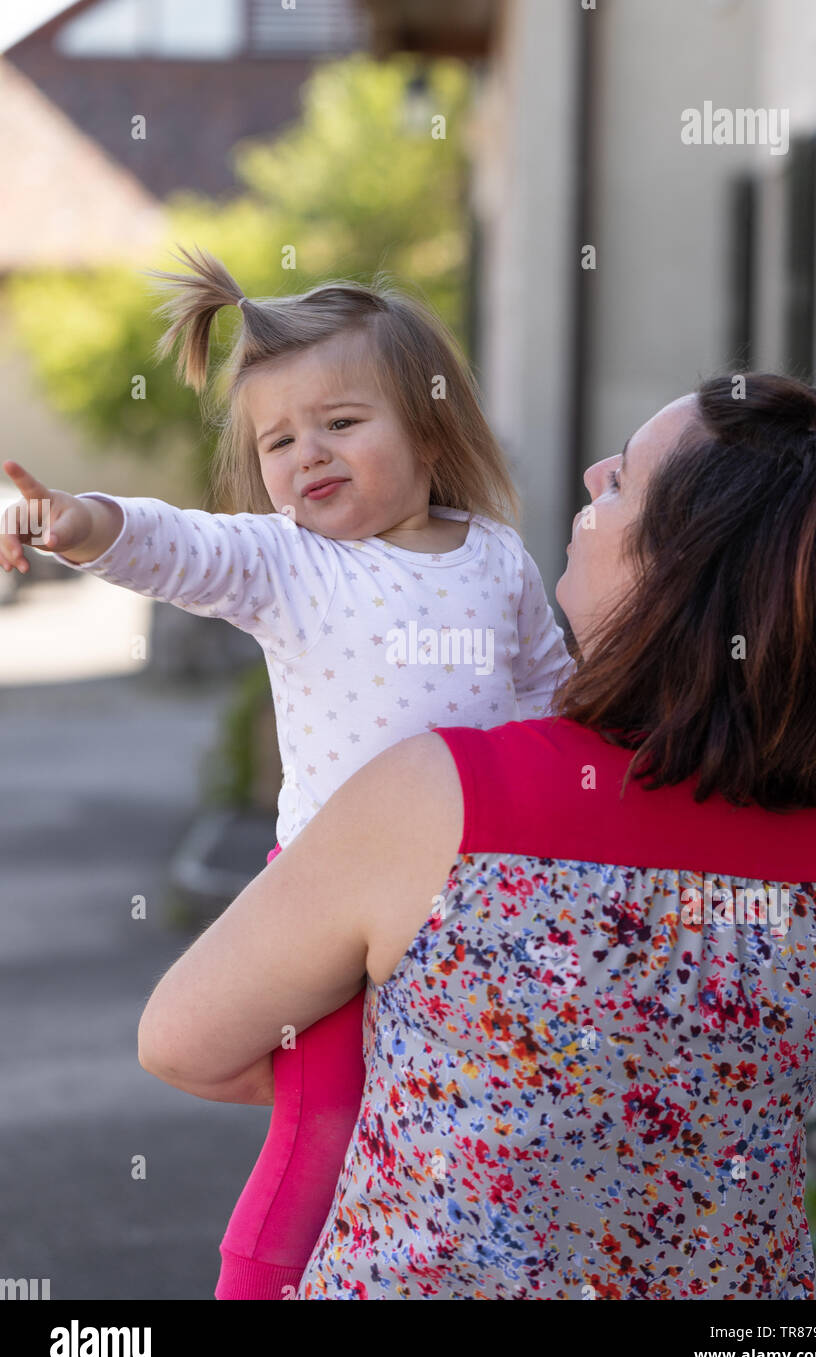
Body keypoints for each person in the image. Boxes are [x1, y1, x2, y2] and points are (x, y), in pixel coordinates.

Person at [135, 371, 816, 1299]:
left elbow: (185, 1038)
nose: (590, 476)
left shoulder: (445, 795)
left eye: (620, 486)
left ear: (677, 567)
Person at [0, 244, 575, 1300]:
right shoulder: (289, 560)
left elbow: (552, 696)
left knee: (493, 1139)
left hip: (481, 914)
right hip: (327, 910)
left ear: (430, 423)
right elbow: (178, 545)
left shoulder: (495, 555)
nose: (307, 453)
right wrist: (83, 523)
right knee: (320, 1133)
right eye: (278, 439)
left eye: (342, 424)